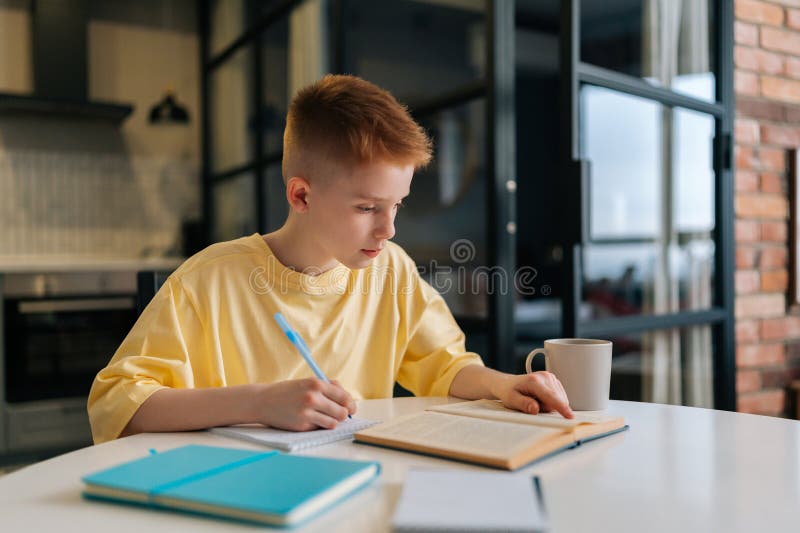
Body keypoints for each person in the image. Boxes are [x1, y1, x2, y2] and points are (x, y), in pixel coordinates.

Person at [87, 75, 572, 444]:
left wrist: (504, 385)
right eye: (367, 208)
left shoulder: (391, 269)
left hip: (352, 485)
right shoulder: (209, 280)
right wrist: (259, 401)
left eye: (396, 205)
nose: (389, 229)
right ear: (301, 195)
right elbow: (117, 406)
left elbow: (444, 366)